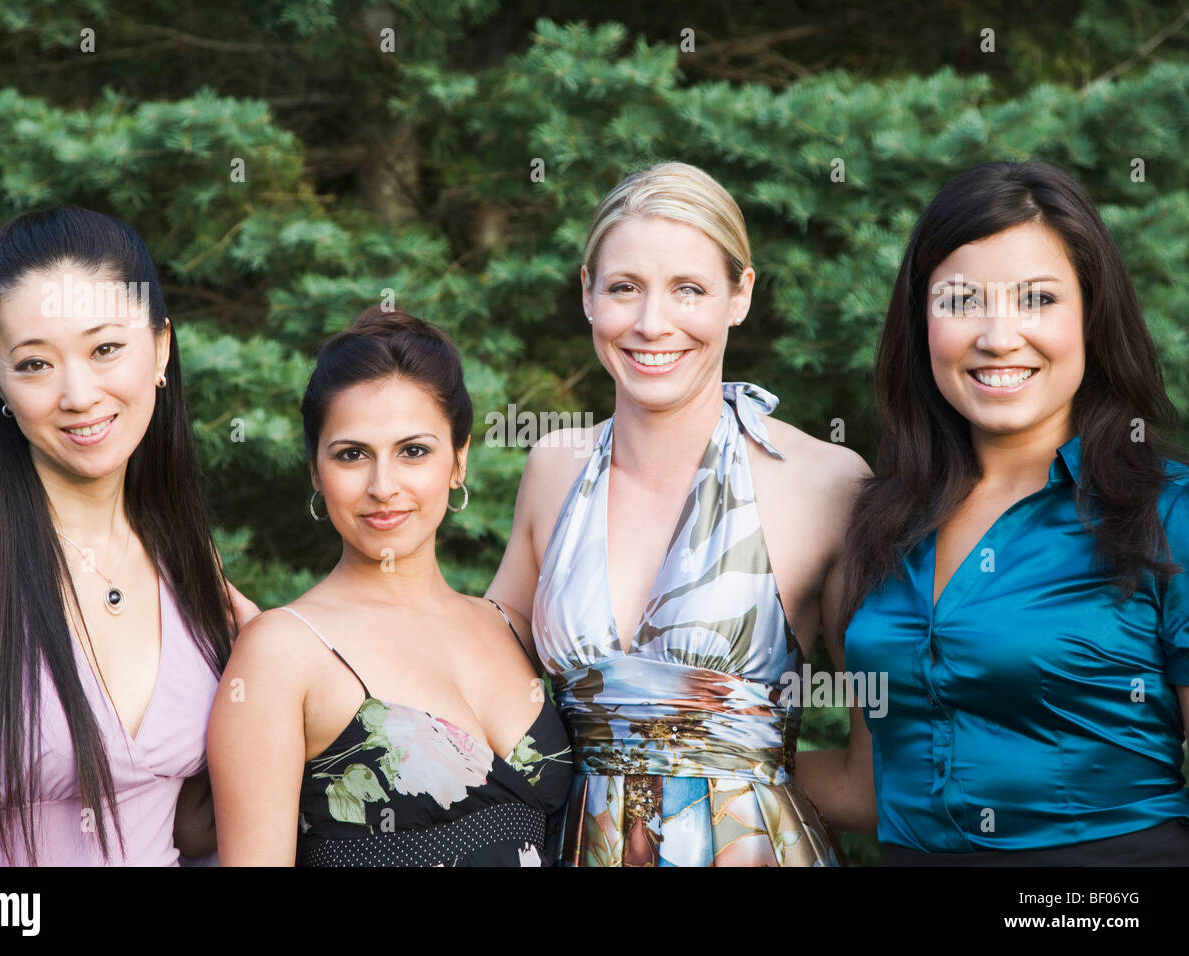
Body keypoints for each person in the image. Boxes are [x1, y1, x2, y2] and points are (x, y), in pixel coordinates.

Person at [486, 162, 875, 866]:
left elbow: (877, 775)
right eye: (624, 289)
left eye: (688, 289)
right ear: (587, 295)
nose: (650, 324)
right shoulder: (553, 466)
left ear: (740, 295)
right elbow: (474, 673)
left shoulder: (827, 484)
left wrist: (738, 774)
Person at [840, 161, 1189, 865]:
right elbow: (866, 786)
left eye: (1037, 299)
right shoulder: (881, 522)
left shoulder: (1167, 515)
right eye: (962, 301)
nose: (999, 336)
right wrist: (674, 759)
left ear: (1091, 314)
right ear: (921, 321)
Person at [0, 206, 257, 866]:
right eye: (34, 364)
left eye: (106, 348)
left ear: (161, 348)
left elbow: (196, 828)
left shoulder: (188, 560)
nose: (79, 394)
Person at [208, 308, 572, 866]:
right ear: (314, 470)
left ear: (459, 461)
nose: (383, 486)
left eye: (414, 451)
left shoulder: (510, 626)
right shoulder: (282, 652)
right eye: (352, 455)